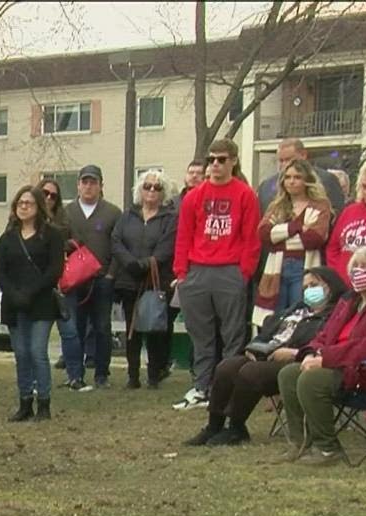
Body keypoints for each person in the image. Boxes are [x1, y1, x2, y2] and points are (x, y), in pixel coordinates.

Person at [185, 267, 347, 447]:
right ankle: (214, 426)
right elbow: (268, 331)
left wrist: (294, 353)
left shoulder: (335, 315)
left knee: (251, 371)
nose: (309, 290)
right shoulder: (297, 309)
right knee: (227, 367)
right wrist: (253, 347)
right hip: (268, 354)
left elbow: (324, 345)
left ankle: (236, 427)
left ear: (330, 286)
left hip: (296, 360)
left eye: (314, 285)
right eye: (305, 287)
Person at [172, 138, 261, 411]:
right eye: (211, 160)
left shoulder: (245, 195)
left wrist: (243, 272)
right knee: (201, 336)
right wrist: (181, 273)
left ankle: (227, 389)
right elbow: (183, 236)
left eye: (221, 160)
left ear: (233, 161)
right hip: (197, 272)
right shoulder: (194, 196)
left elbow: (251, 239)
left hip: (230, 271)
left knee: (233, 336)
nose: (215, 165)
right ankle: (201, 387)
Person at [277, 246, 366, 466]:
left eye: (365, 266)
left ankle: (327, 448)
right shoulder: (349, 301)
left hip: (361, 372)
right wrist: (310, 353)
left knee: (312, 380)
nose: (359, 271)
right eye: (355, 266)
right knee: (289, 374)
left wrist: (325, 358)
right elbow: (324, 334)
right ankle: (300, 442)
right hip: (334, 366)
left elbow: (365, 347)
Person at [0, 186, 64, 422]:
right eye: (20, 203)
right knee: (21, 354)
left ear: (39, 207)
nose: (24, 207)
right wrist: (13, 294)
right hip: (14, 304)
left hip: (41, 303)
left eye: (29, 203)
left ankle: (44, 402)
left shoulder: (52, 235)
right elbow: (0, 270)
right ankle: (25, 402)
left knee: (37, 352)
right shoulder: (7, 238)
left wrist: (31, 292)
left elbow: (55, 270)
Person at [111, 170, 177, 389]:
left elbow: (167, 247)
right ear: (140, 189)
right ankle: (133, 376)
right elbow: (116, 241)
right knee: (132, 330)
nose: (151, 191)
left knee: (155, 329)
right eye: (147, 186)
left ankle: (154, 374)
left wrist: (146, 264)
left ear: (163, 192)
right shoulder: (127, 216)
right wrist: (130, 263)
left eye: (157, 187)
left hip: (156, 282)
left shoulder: (170, 218)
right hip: (129, 281)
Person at [63, 164, 122, 390]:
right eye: (85, 182)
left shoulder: (112, 213)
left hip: (101, 279)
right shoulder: (66, 213)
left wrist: (111, 275)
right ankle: (75, 374)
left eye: (93, 182)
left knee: (102, 327)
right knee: (74, 328)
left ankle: (102, 374)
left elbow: (118, 246)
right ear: (78, 185)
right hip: (74, 281)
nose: (89, 187)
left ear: (101, 186)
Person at [254, 159, 332, 325]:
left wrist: (279, 238)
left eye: (297, 177)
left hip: (305, 268)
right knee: (276, 319)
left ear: (307, 180)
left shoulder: (320, 205)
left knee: (302, 315)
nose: (291, 181)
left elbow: (315, 238)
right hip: (277, 269)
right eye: (288, 177)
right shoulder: (277, 206)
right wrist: (295, 227)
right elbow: (264, 233)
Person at [41, 178, 83, 384]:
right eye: (45, 193)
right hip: (36, 284)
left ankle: (75, 376)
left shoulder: (64, 220)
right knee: (38, 336)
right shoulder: (24, 217)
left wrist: (59, 245)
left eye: (53, 195)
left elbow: (77, 242)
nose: (48, 198)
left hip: (61, 284)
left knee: (69, 331)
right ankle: (36, 380)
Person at [256, 138, 346, 221]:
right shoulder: (265, 187)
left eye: (288, 159)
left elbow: (337, 216)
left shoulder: (326, 180)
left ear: (303, 155)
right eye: (281, 161)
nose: (284, 165)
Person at [327, 160, 366, 285]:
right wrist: (337, 274)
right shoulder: (349, 211)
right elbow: (333, 247)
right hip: (343, 283)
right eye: (364, 186)